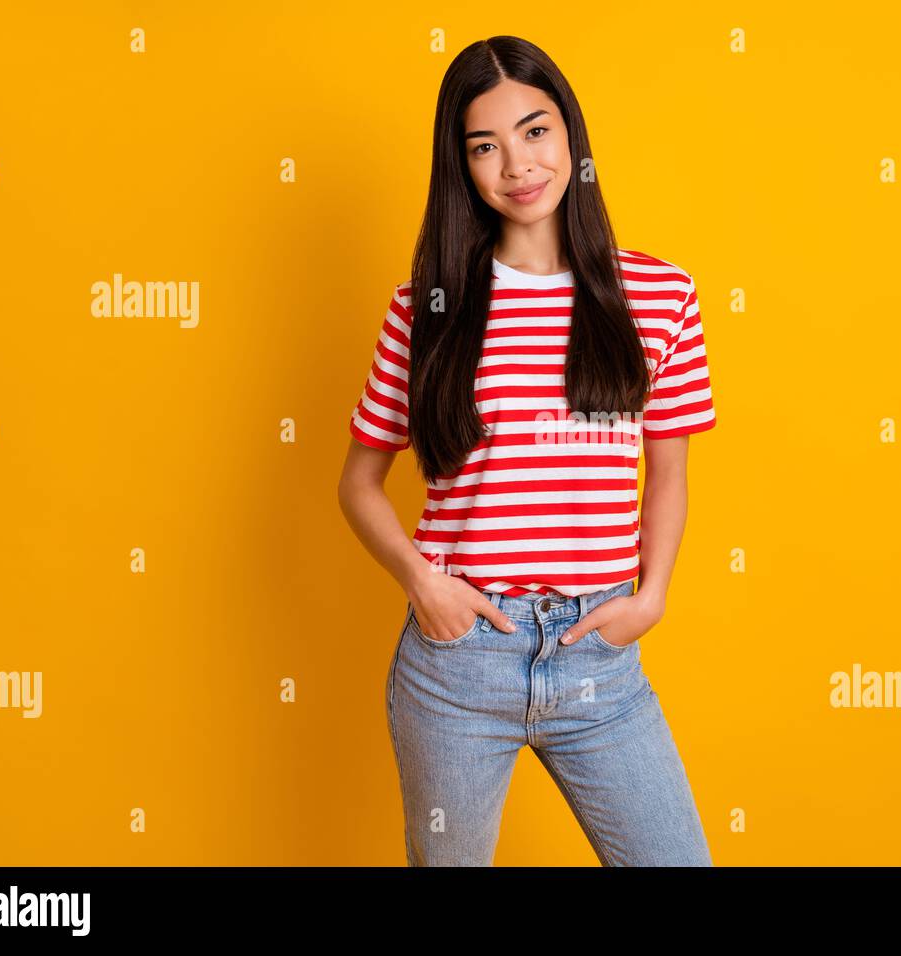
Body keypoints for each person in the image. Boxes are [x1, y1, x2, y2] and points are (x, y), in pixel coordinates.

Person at [337, 35, 716, 866]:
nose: (517, 164)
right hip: (458, 665)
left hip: (600, 662)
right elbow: (360, 483)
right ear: (462, 167)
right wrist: (421, 582)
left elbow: (670, 474)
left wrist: (652, 597)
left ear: (572, 139)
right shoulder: (426, 306)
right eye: (485, 146)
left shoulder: (660, 293)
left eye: (535, 131)